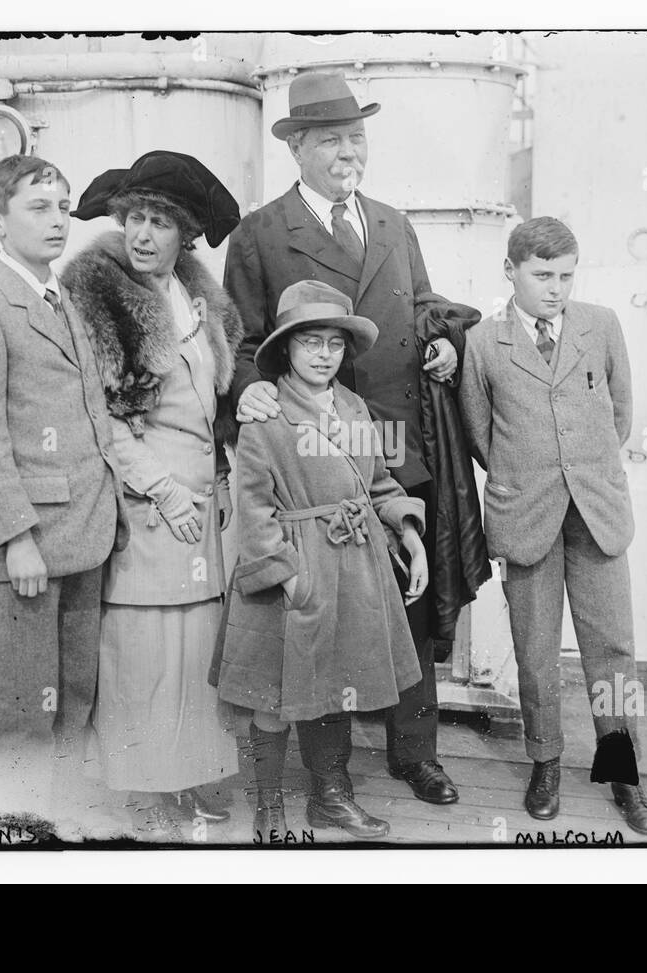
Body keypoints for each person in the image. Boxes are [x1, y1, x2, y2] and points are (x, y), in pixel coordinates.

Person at [223, 70, 460, 806]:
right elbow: (237, 341)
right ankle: (329, 773)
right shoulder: (260, 232)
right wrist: (246, 388)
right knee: (322, 614)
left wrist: (444, 341)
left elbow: (422, 306)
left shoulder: (393, 222)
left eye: (356, 137)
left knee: (406, 609)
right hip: (304, 451)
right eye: (330, 140)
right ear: (296, 150)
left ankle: (414, 753)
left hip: (389, 444)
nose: (348, 152)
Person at [458, 217, 647, 834]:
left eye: (566, 276)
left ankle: (622, 769)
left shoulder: (600, 325)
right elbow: (479, 433)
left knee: (613, 648)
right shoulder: (483, 344)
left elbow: (620, 413)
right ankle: (545, 762)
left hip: (596, 513)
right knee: (536, 649)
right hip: (526, 516)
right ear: (510, 272)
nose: (556, 289)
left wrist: (581, 470)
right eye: (542, 276)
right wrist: (531, 476)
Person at [61, 150, 243, 840]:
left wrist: (219, 475)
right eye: (133, 217)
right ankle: (147, 781)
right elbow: (97, 416)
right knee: (142, 639)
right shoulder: (95, 293)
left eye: (158, 221)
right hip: (144, 496)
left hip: (200, 488)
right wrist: (162, 489)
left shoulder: (196, 293)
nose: (141, 234)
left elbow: (209, 398)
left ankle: (191, 769)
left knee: (195, 639)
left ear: (185, 234)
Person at [0, 155, 128, 818]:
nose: (59, 220)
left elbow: (91, 414)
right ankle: (18, 830)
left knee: (76, 692)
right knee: (25, 703)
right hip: (28, 547)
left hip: (82, 537)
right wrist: (16, 538)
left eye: (64, 205)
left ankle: (64, 815)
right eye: (39, 207)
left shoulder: (60, 297)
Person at [213, 280, 428, 841]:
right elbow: (253, 504)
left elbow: (378, 484)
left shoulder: (355, 407)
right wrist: (285, 575)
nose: (323, 354)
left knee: (336, 682)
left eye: (335, 343)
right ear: (286, 348)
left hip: (355, 566)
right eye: (310, 342)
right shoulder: (266, 413)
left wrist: (407, 531)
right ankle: (267, 805)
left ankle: (329, 796)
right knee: (276, 693)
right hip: (296, 566)